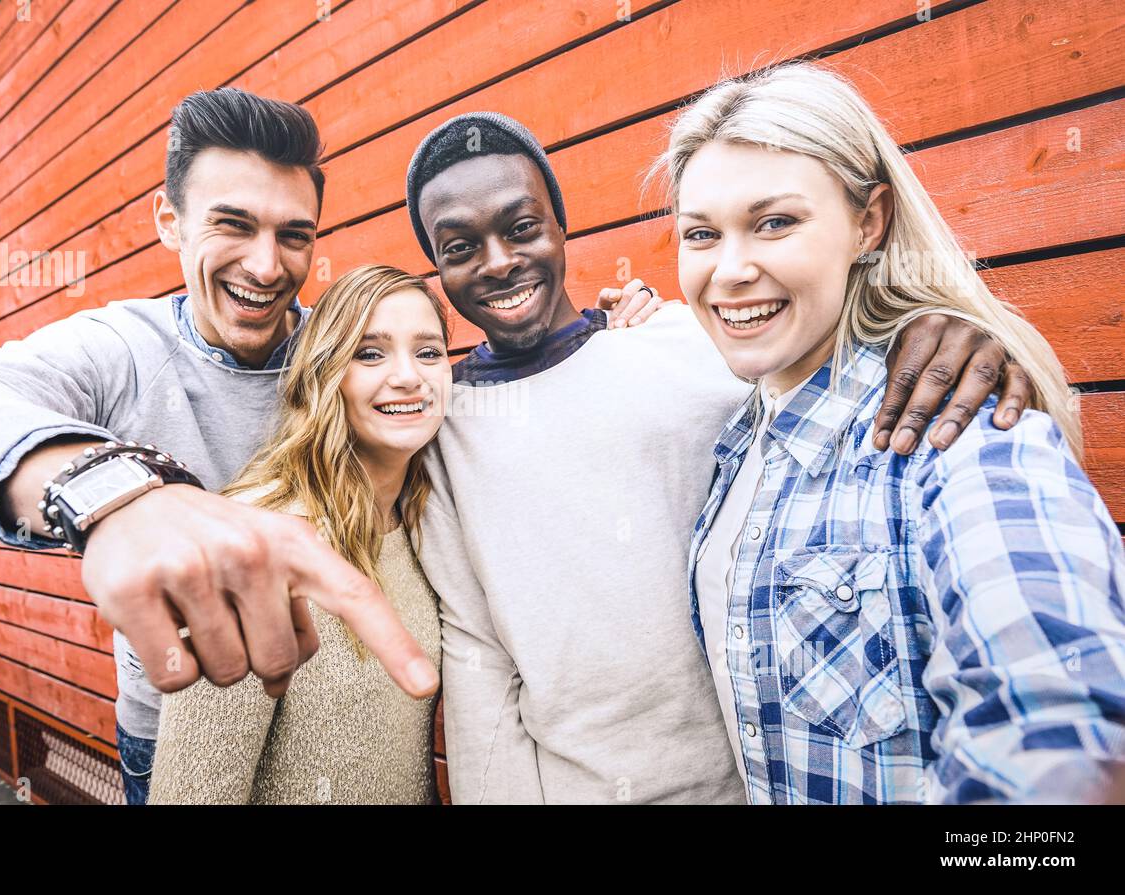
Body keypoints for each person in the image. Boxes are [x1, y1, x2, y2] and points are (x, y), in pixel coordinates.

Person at [404, 111, 1035, 803]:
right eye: (460, 246)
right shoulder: (445, 428)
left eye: (522, 227)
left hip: (760, 781)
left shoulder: (690, 343)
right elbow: (478, 657)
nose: (498, 261)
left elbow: (816, 363)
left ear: (560, 225)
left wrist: (933, 330)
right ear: (438, 266)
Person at [0, 89, 439, 804]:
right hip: (179, 731)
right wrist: (108, 490)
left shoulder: (341, 349)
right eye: (232, 224)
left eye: (294, 235)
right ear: (168, 222)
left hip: (333, 721)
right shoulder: (121, 350)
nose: (266, 265)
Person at [657, 62, 1125, 803]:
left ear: (868, 223)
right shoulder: (740, 436)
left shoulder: (962, 435)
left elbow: (1064, 741)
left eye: (775, 222)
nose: (732, 269)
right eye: (701, 234)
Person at [149, 266, 449, 804]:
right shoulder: (257, 544)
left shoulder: (426, 520)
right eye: (370, 353)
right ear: (324, 373)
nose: (409, 376)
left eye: (428, 352)